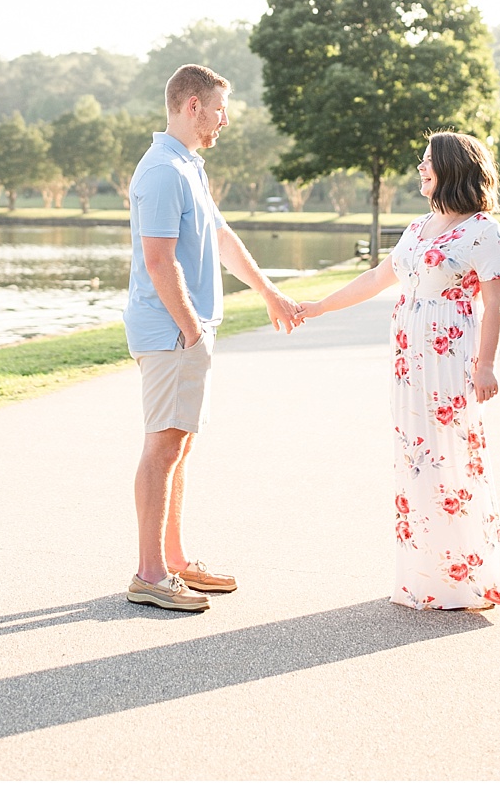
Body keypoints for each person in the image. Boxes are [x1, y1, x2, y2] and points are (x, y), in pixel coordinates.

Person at [292, 131, 500, 610]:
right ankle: (424, 575)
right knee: (416, 459)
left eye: (428, 161)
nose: (420, 168)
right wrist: (320, 307)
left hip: (451, 361)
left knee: (451, 457)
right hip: (408, 365)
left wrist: (487, 365)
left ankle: (465, 578)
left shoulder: (485, 231)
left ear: (452, 168)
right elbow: (376, 278)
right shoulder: (417, 229)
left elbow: (494, 305)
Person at [125, 63, 303, 612]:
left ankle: (173, 561)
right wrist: (190, 328)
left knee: (179, 442)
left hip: (188, 329)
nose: (225, 120)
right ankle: (151, 574)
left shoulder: (189, 168)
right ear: (193, 105)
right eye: (221, 108)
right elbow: (159, 262)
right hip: (172, 330)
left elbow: (221, 238)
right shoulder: (161, 172)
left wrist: (269, 291)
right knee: (163, 445)